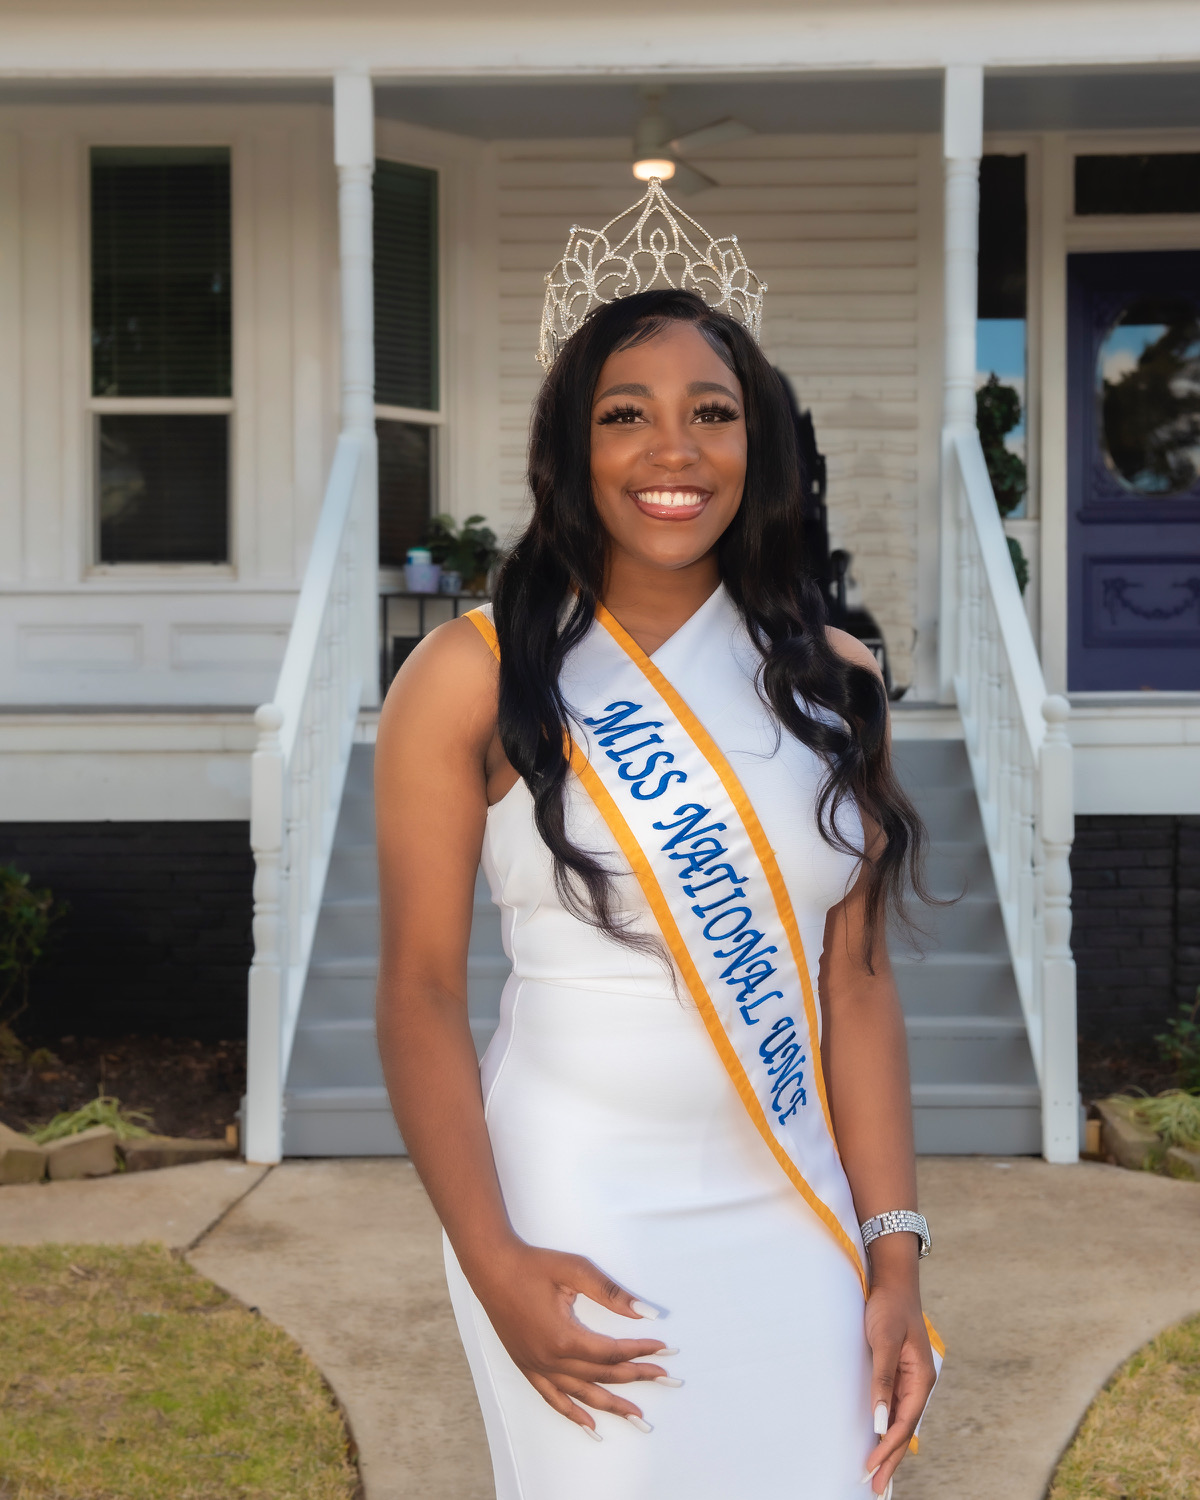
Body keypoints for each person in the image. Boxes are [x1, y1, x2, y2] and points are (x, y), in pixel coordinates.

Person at [375, 184, 940, 1500]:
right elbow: (412, 993)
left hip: (793, 1209)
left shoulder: (836, 677)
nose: (670, 452)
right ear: (570, 447)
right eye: (623, 414)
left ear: (761, 446)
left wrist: (895, 1249)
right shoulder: (469, 677)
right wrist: (490, 1255)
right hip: (573, 1203)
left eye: (712, 413)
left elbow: (853, 987)